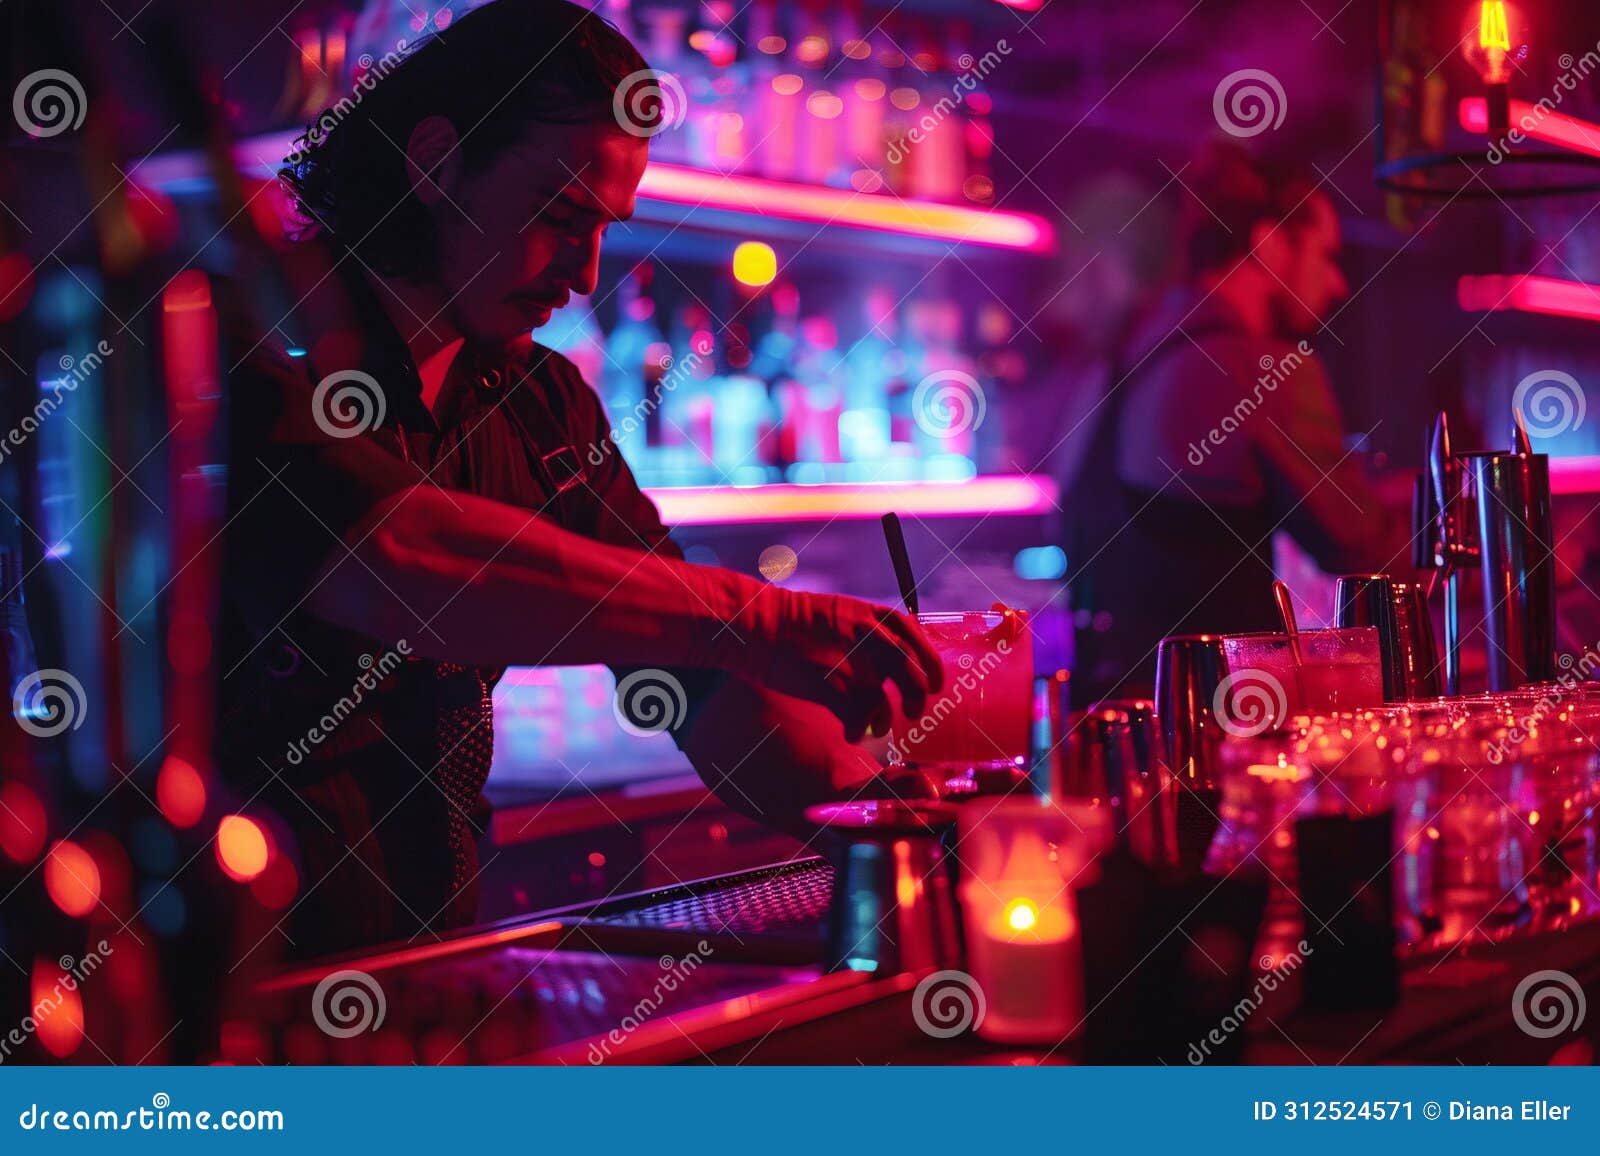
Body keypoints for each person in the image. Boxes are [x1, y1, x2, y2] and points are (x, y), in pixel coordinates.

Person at [217, 0, 942, 955]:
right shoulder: (250, 337)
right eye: (559, 216)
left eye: (605, 227)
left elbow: (697, 680)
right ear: (435, 160)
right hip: (216, 992)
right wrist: (765, 621)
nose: (587, 270)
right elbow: (398, 555)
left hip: (429, 972)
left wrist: (892, 819)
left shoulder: (539, 403)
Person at [1054, 143, 1409, 704]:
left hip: (1106, 731)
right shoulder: (1261, 367)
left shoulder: (1114, 362)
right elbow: (1368, 550)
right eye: (1324, 254)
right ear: (1268, 245)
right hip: (1221, 740)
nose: (1336, 283)